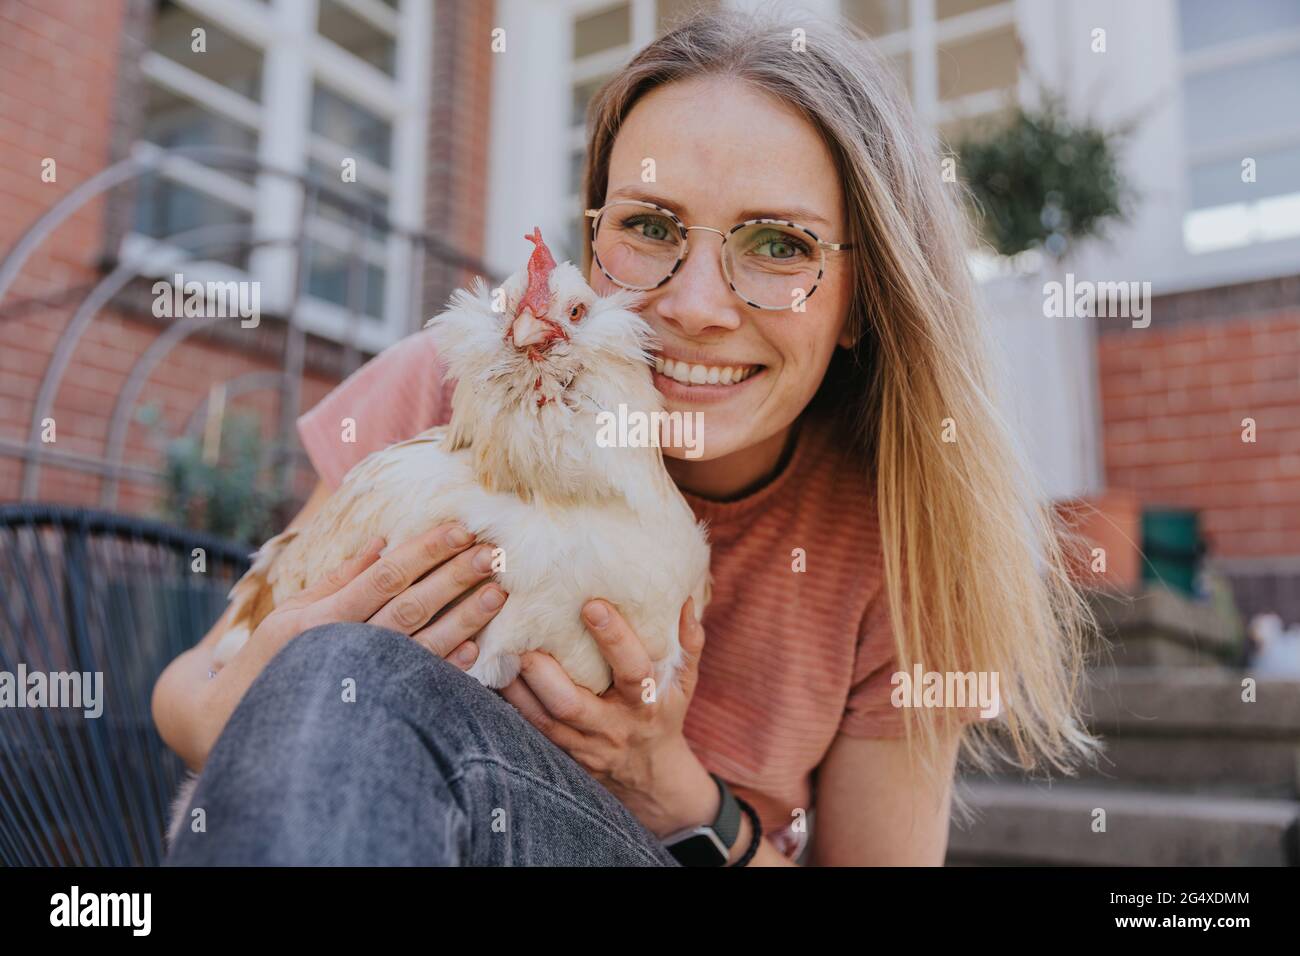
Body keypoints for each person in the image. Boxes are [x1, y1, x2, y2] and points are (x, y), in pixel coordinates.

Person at [154, 7, 1098, 867]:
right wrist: (298, 679)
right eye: (649, 227)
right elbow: (185, 700)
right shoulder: (456, 389)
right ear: (593, 240)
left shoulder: (898, 544)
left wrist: (674, 790)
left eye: (780, 245)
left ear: (863, 299)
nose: (695, 306)